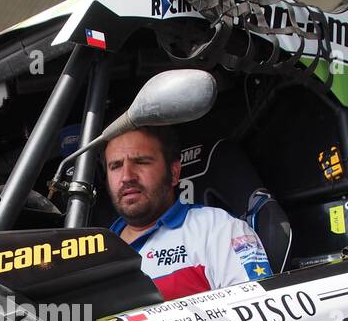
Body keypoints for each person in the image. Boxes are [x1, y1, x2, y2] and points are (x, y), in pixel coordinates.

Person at [105, 125, 272, 300]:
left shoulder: (218, 228)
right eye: (115, 166)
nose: (126, 176)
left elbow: (256, 309)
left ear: (174, 172)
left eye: (141, 162)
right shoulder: (93, 249)